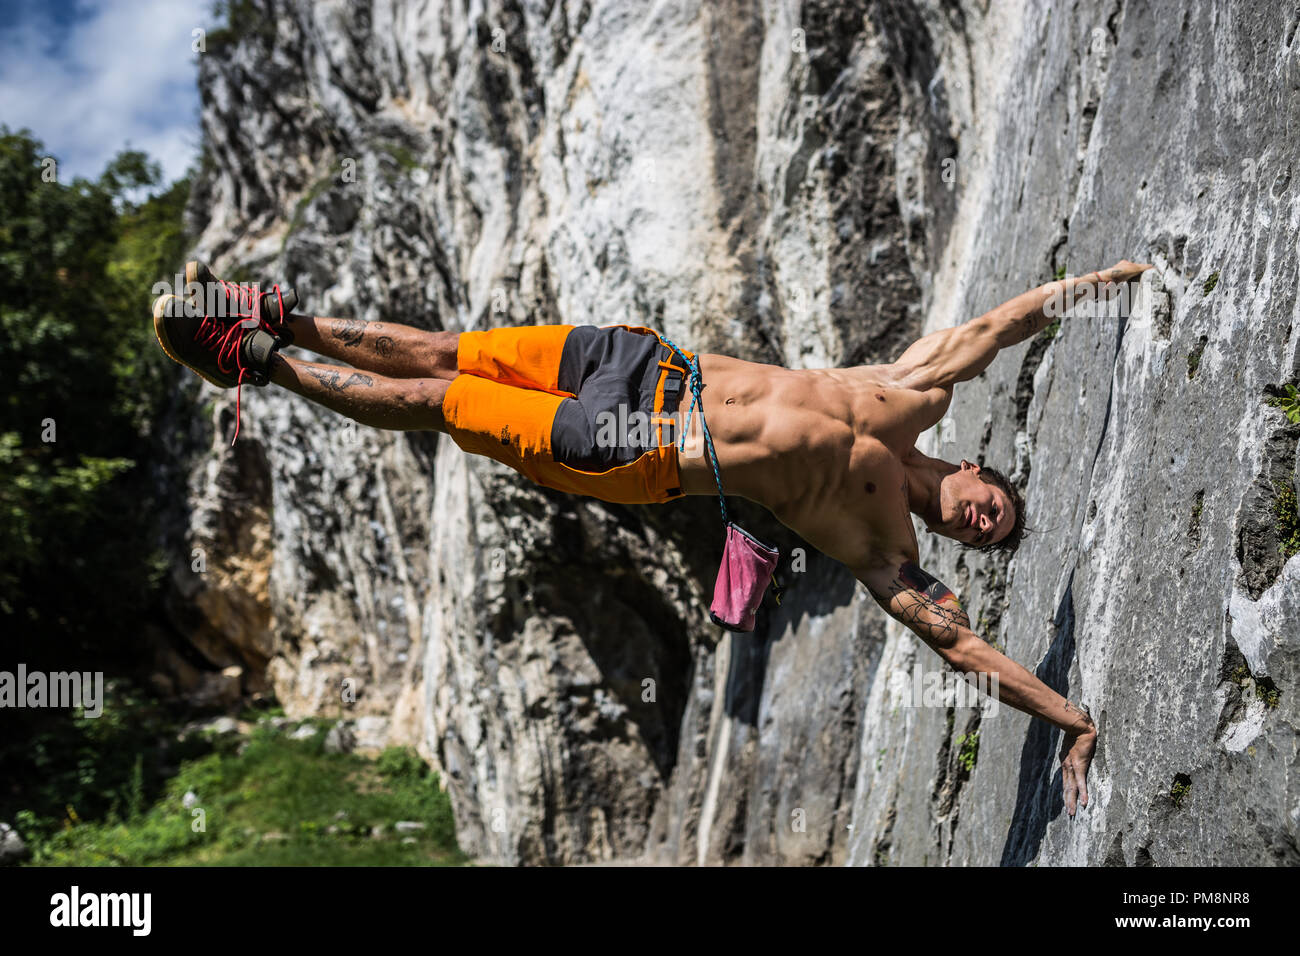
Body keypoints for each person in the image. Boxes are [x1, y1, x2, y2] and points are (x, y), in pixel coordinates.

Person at [153, 258, 1152, 814]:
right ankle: (277, 312)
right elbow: (1002, 324)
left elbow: (968, 651)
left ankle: (257, 359)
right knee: (451, 350)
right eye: (995, 503)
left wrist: (1072, 720)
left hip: (638, 443)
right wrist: (1103, 284)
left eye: (987, 537)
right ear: (979, 466)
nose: (983, 520)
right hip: (639, 362)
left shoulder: (881, 552)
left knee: (438, 399)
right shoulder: (911, 386)